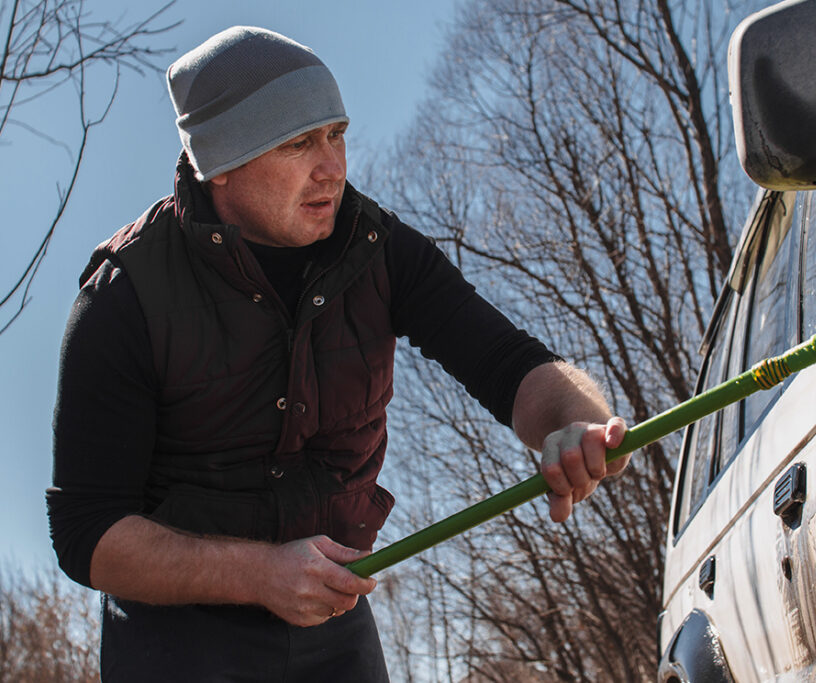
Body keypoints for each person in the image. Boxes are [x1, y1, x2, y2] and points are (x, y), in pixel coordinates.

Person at [47, 26, 630, 682]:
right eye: (300, 143)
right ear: (222, 166)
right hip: (177, 639)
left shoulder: (379, 248)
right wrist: (260, 574)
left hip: (334, 620)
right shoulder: (125, 295)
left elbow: (508, 362)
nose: (333, 167)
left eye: (336, 134)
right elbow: (87, 532)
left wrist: (575, 420)